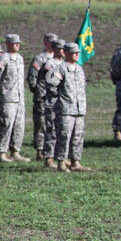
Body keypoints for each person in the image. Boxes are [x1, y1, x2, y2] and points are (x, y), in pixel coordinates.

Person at [46, 42, 92, 171]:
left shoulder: (79, 69)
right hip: (65, 110)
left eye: (77, 52)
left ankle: (75, 162)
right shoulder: (60, 69)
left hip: (79, 109)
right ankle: (61, 162)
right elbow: (52, 85)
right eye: (73, 52)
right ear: (66, 53)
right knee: (64, 136)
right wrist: (60, 99)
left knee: (78, 137)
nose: (76, 55)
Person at [0, 33, 28, 162]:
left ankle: (15, 151)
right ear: (8, 44)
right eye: (14, 43)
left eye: (18, 43)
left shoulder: (20, 58)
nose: (17, 45)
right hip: (7, 98)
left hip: (19, 98)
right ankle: (1, 152)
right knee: (6, 125)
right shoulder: (3, 59)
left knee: (19, 126)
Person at [30, 33, 60, 154]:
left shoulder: (59, 60)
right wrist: (37, 91)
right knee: (41, 123)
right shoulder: (40, 58)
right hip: (42, 96)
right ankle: (40, 149)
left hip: (56, 97)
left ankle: (53, 149)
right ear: (46, 43)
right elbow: (32, 77)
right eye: (52, 42)